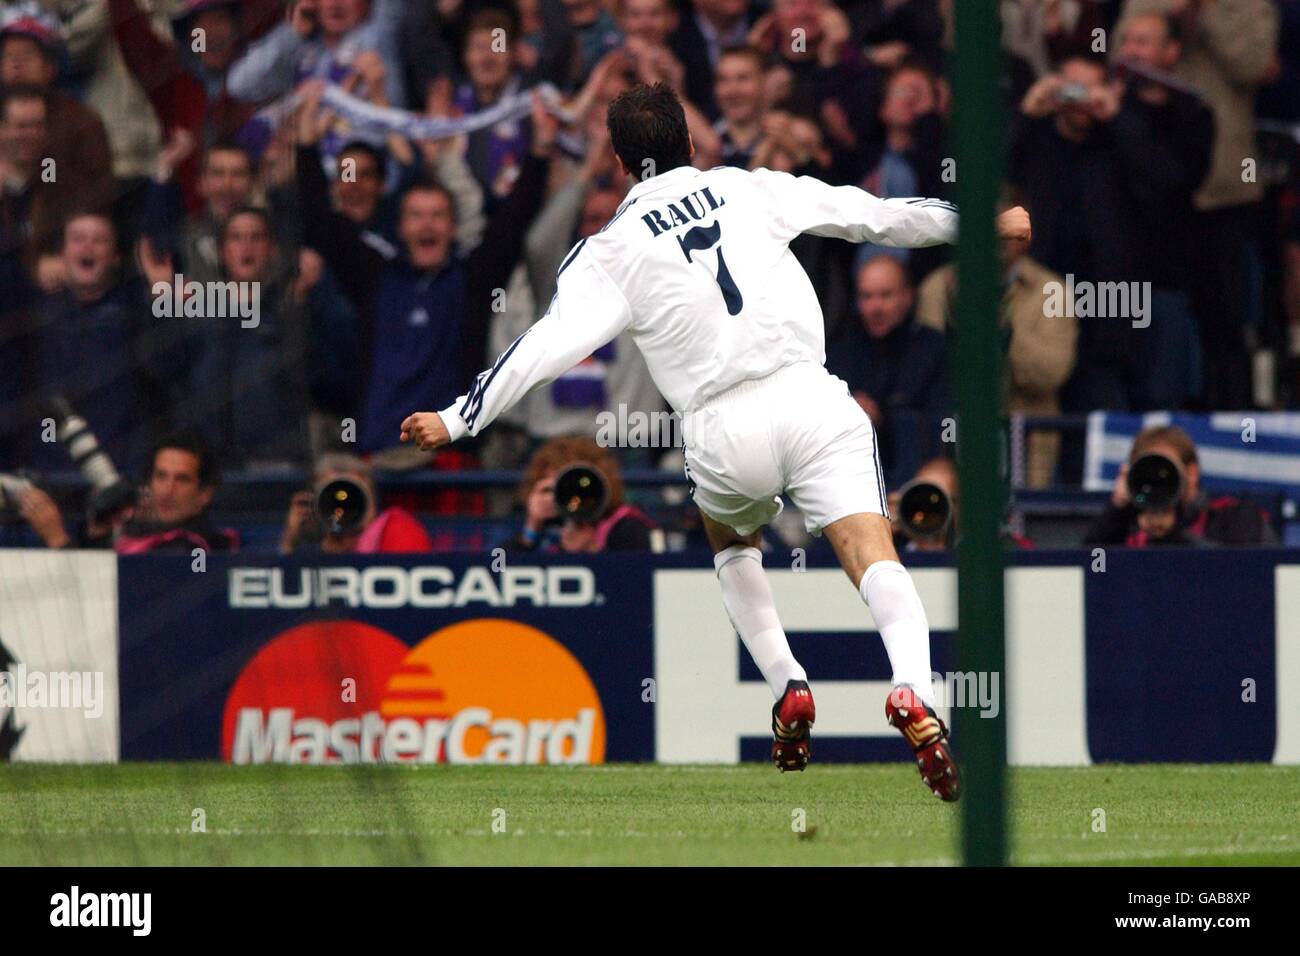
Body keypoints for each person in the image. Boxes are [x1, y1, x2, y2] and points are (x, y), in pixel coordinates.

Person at [402, 82, 1032, 801]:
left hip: (719, 429)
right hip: (810, 397)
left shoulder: (607, 252)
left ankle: (789, 684)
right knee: (871, 549)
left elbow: (543, 347)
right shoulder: (748, 188)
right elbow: (871, 217)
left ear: (616, 162)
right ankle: (913, 691)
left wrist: (458, 419)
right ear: (691, 145)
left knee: (732, 541)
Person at [1084, 425, 1276, 547]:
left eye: (1166, 469)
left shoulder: (1234, 515)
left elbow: (1244, 572)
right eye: (1148, 470)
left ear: (1191, 473)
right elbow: (1092, 572)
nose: (1158, 481)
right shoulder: (1124, 524)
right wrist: (1116, 508)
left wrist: (1171, 536)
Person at [115, 430, 238, 553]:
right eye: (161, 476)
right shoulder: (130, 534)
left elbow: (198, 570)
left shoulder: (198, 551)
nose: (167, 491)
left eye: (182, 480)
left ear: (205, 494)